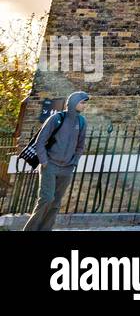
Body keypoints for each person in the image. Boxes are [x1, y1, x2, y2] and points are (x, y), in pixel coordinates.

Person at [23, 91, 90, 231]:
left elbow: (80, 146)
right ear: (73, 102)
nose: (84, 105)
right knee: (46, 199)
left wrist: (74, 162)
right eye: (82, 102)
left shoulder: (82, 122)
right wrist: (44, 161)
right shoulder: (56, 118)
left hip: (67, 168)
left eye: (85, 103)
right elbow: (40, 141)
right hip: (50, 165)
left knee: (56, 203)